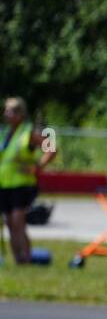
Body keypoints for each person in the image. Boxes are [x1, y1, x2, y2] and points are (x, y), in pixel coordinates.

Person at [0, 97, 56, 264]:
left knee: (18, 222)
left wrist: (37, 166)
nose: (6, 114)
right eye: (5, 110)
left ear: (20, 114)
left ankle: (26, 259)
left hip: (22, 184)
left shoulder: (28, 132)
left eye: (10, 111)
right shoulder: (5, 133)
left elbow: (51, 148)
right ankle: (18, 260)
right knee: (10, 223)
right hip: (5, 183)